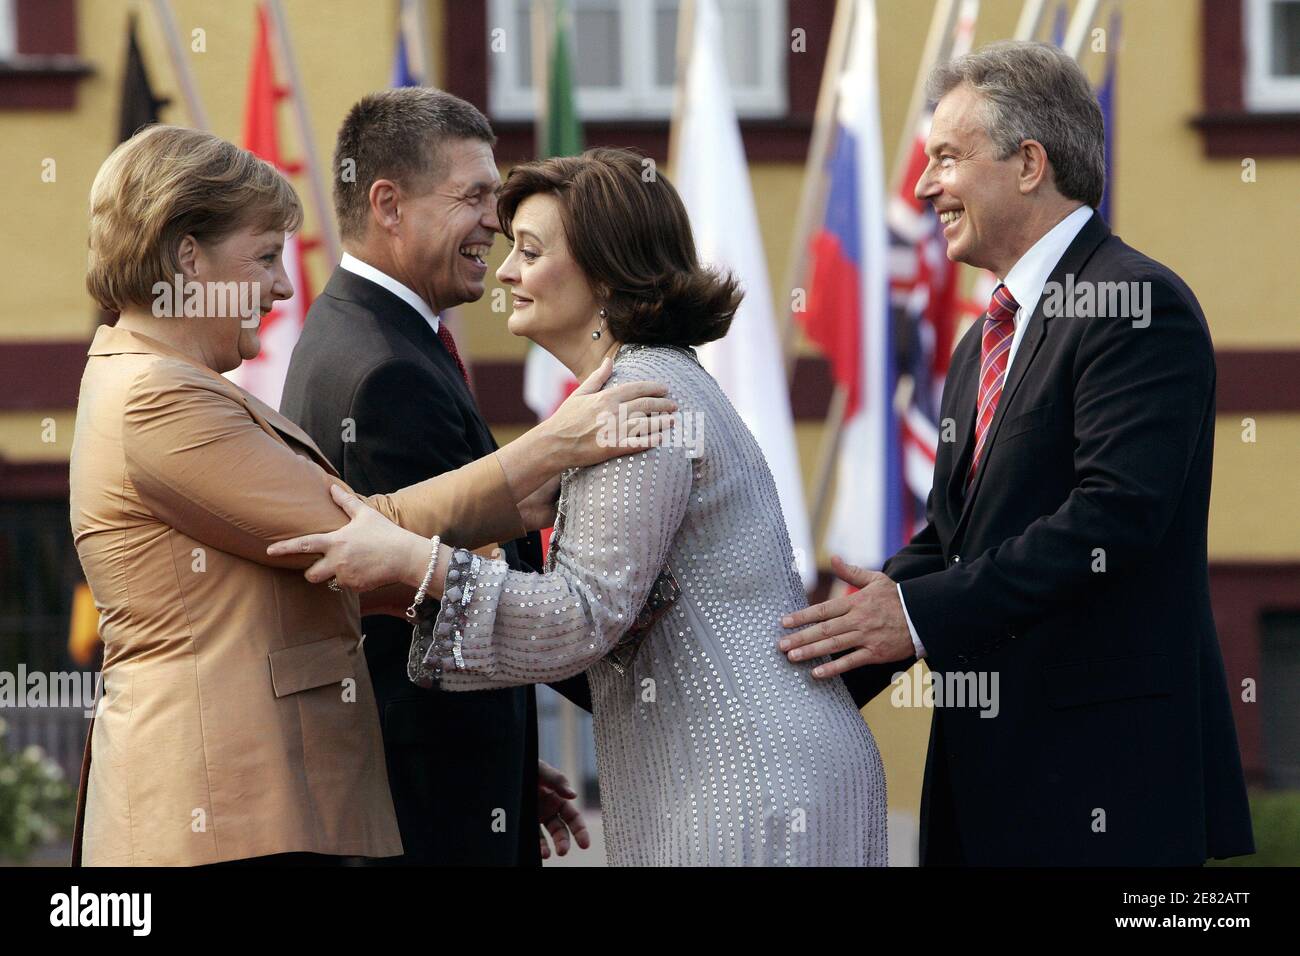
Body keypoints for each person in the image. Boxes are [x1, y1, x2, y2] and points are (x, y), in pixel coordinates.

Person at [70, 125, 673, 866]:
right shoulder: (155, 399)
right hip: (217, 813)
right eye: (265, 257)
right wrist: (552, 446)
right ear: (187, 254)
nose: (284, 287)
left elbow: (317, 585)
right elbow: (358, 534)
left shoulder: (168, 384)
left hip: (244, 806)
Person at [269, 148, 888, 866]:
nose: (505, 273)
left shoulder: (636, 400)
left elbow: (581, 619)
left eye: (530, 252)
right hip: (745, 772)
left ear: (604, 271)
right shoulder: (644, 385)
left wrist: (415, 560)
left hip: (742, 785)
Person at [779, 41, 1255, 865]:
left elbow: (1112, 521)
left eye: (948, 159)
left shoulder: (1136, 304)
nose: (927, 186)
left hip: (1099, 793)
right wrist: (825, 659)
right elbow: (955, 537)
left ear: (1029, 162)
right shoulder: (984, 337)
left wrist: (918, 617)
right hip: (986, 789)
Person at [280, 88, 589, 866]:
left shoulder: (364, 332)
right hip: (426, 813)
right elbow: (434, 609)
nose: (496, 221)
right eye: (475, 196)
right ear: (389, 204)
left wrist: (512, 769)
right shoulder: (386, 371)